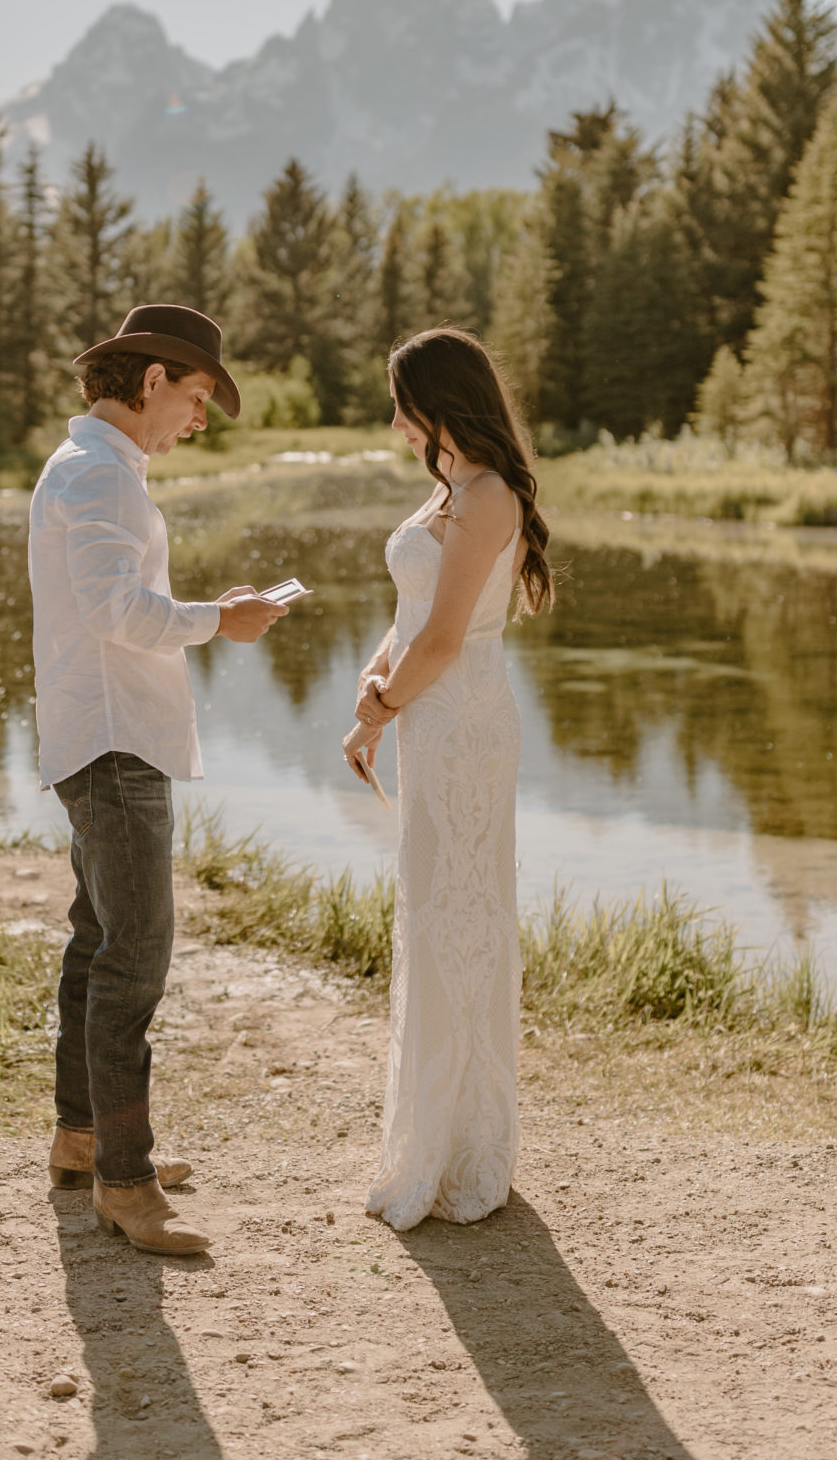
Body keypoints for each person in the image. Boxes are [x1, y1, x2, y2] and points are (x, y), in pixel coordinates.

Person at [29, 304, 287, 1255]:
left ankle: (83, 1138)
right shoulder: (100, 472)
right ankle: (124, 1183)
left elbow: (112, 603)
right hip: (116, 745)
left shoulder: (89, 466)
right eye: (197, 396)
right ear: (150, 382)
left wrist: (211, 611)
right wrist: (220, 619)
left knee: (96, 945)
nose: (200, 419)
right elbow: (115, 610)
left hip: (97, 736)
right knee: (132, 961)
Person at [342, 327, 555, 1230]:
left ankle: (468, 1148)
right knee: (431, 916)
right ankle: (432, 1130)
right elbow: (412, 616)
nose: (396, 424)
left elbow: (444, 636)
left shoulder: (489, 495)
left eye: (404, 407)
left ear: (440, 403)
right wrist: (374, 676)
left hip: (464, 730)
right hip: (429, 720)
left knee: (461, 920)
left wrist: (377, 714)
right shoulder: (449, 490)